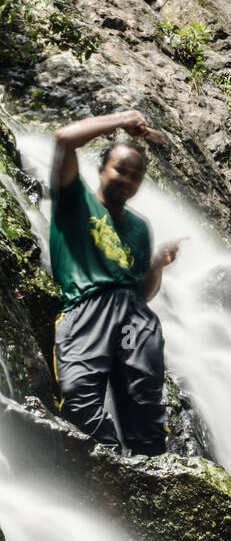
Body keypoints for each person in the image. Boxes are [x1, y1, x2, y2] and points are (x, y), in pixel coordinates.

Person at [50, 109, 182, 456]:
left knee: (145, 408)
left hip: (135, 317)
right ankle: (107, 464)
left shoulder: (140, 227)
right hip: (86, 309)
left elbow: (143, 293)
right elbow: (64, 139)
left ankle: (151, 473)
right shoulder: (75, 200)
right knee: (79, 403)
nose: (128, 179)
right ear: (102, 169)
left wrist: (156, 264)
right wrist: (122, 120)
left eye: (136, 175)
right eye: (121, 169)